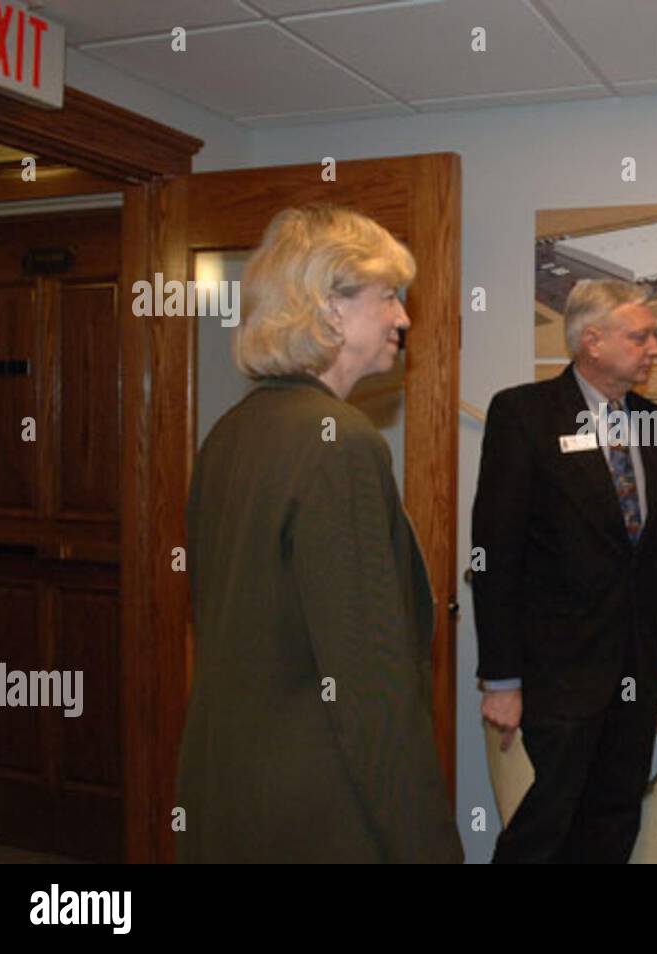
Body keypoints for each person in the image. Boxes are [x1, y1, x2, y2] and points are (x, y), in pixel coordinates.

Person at [176, 205, 462, 863]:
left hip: (232, 796)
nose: (403, 317)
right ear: (330, 309)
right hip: (323, 812)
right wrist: (430, 848)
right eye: (388, 295)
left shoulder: (232, 432)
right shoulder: (341, 445)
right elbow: (370, 686)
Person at [472, 278, 657, 863]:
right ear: (592, 341)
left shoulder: (655, 422)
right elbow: (493, 554)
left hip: (636, 670)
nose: (655, 349)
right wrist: (501, 680)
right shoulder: (523, 415)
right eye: (640, 336)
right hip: (554, 678)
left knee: (613, 822)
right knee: (542, 832)